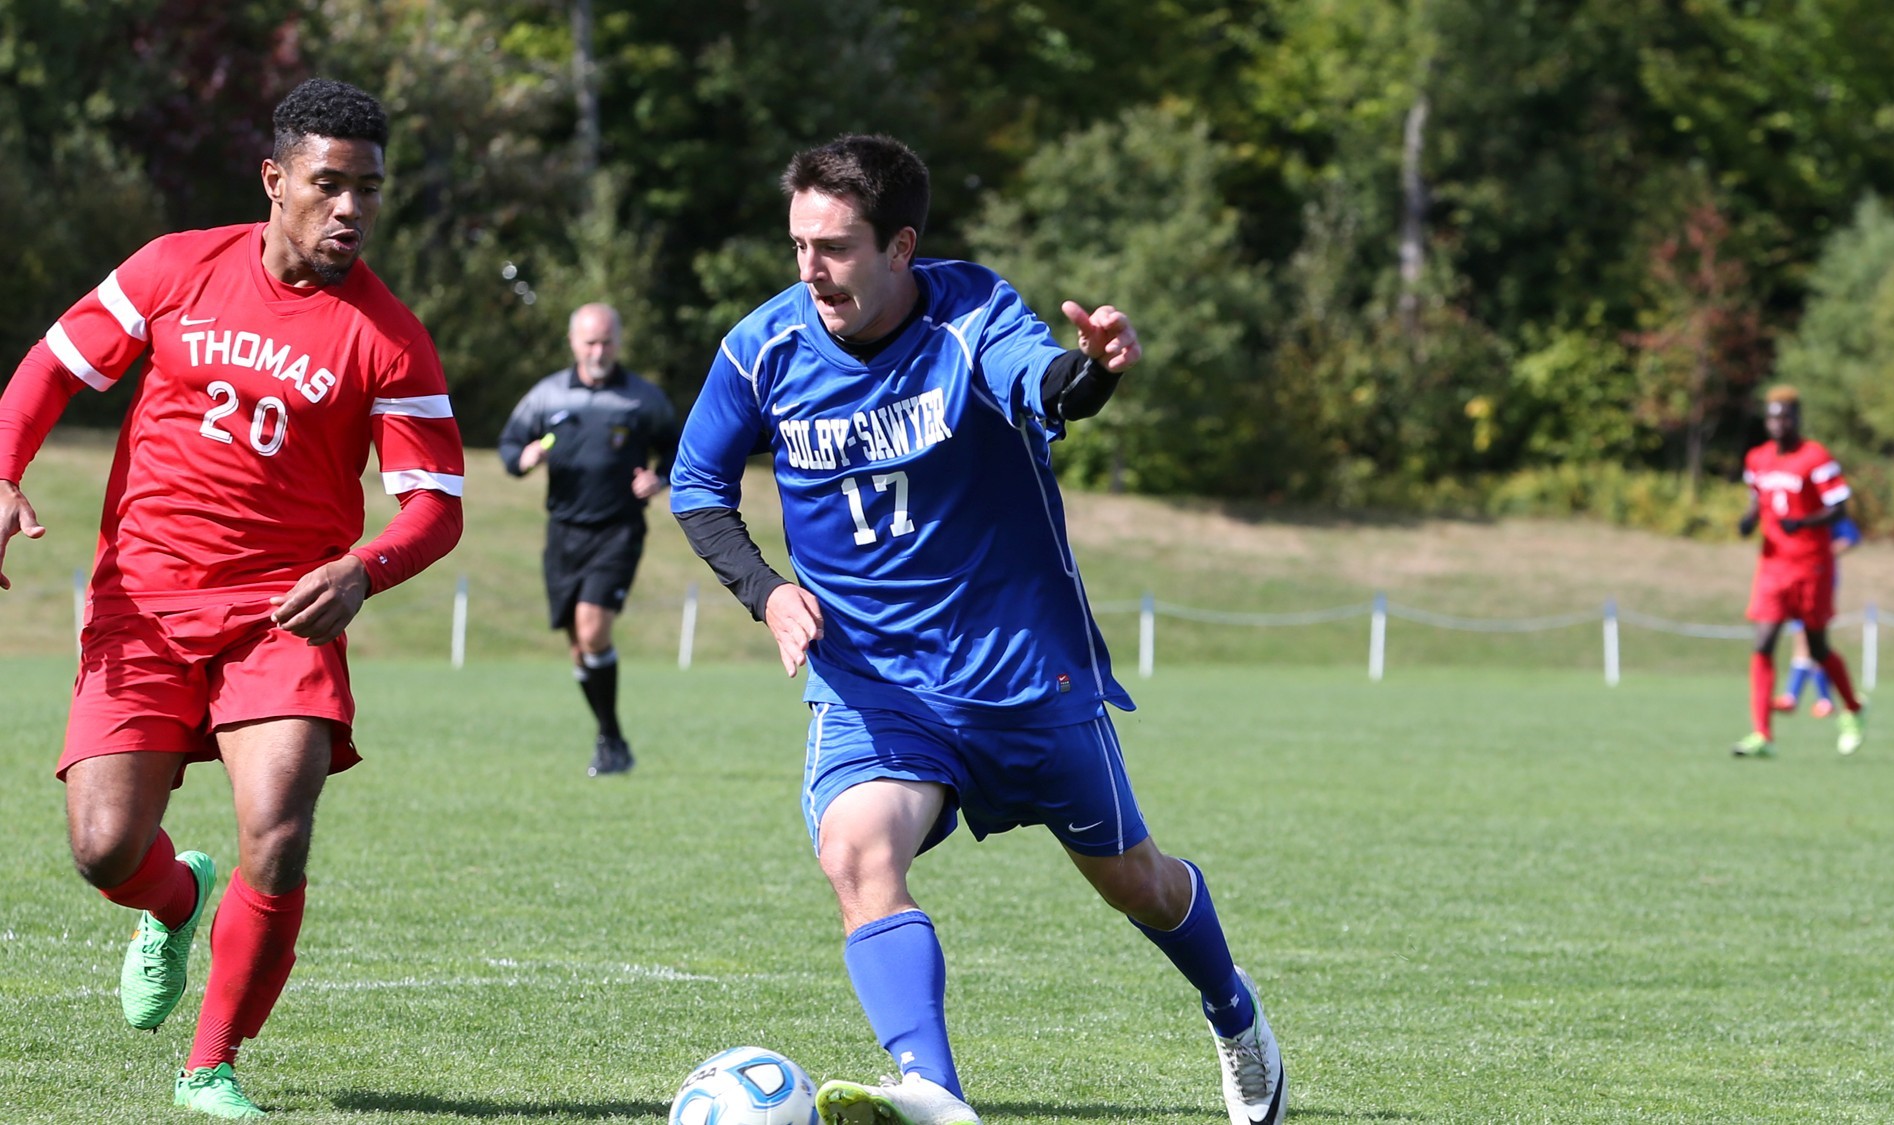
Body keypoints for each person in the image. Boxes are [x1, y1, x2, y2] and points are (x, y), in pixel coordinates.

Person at [670, 135, 1286, 1125]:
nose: (809, 269)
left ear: (900, 246)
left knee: (1134, 881)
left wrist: (1092, 371)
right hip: (874, 683)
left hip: (1019, 672)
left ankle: (1233, 1013)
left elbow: (1043, 382)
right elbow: (697, 487)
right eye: (796, 245)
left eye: (834, 247)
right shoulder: (761, 348)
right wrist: (768, 592)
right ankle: (933, 1095)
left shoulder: (970, 315)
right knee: (856, 856)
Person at [0, 79, 464, 1118]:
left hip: (282, 615)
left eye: (369, 192)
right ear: (275, 180)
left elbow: (434, 509)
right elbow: (48, 371)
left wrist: (364, 568)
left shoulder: (389, 336)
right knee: (102, 847)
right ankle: (172, 898)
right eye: (328, 186)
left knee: (282, 828)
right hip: (141, 604)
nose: (350, 210)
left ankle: (210, 1067)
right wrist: (3, 471)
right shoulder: (175, 269)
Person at [498, 303, 678, 777]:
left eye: (606, 342)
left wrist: (658, 479)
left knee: (593, 627)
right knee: (579, 644)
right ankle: (611, 739)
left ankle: (611, 740)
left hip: (618, 529)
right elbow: (509, 446)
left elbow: (682, 447)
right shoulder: (547, 395)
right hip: (563, 532)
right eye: (589, 342)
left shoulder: (642, 398)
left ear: (619, 342)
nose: (598, 351)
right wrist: (525, 459)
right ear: (574, 343)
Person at [1733, 386, 1865, 759]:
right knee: (1763, 642)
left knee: (1818, 646)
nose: (1778, 423)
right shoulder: (1757, 458)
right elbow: (1756, 502)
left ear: (1796, 418)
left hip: (1811, 564)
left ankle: (1853, 708)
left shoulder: (1815, 456)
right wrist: (1747, 521)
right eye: (1772, 417)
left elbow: (1839, 508)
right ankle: (1762, 733)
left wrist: (1805, 522)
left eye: (1785, 416)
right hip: (1773, 565)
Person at [1773, 514, 1861, 719]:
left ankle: (1809, 699)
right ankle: (1807, 698)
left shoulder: (1826, 512)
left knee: (1810, 640)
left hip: (1819, 581)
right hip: (1795, 579)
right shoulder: (1795, 508)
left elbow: (1851, 537)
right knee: (1803, 642)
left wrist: (1819, 553)